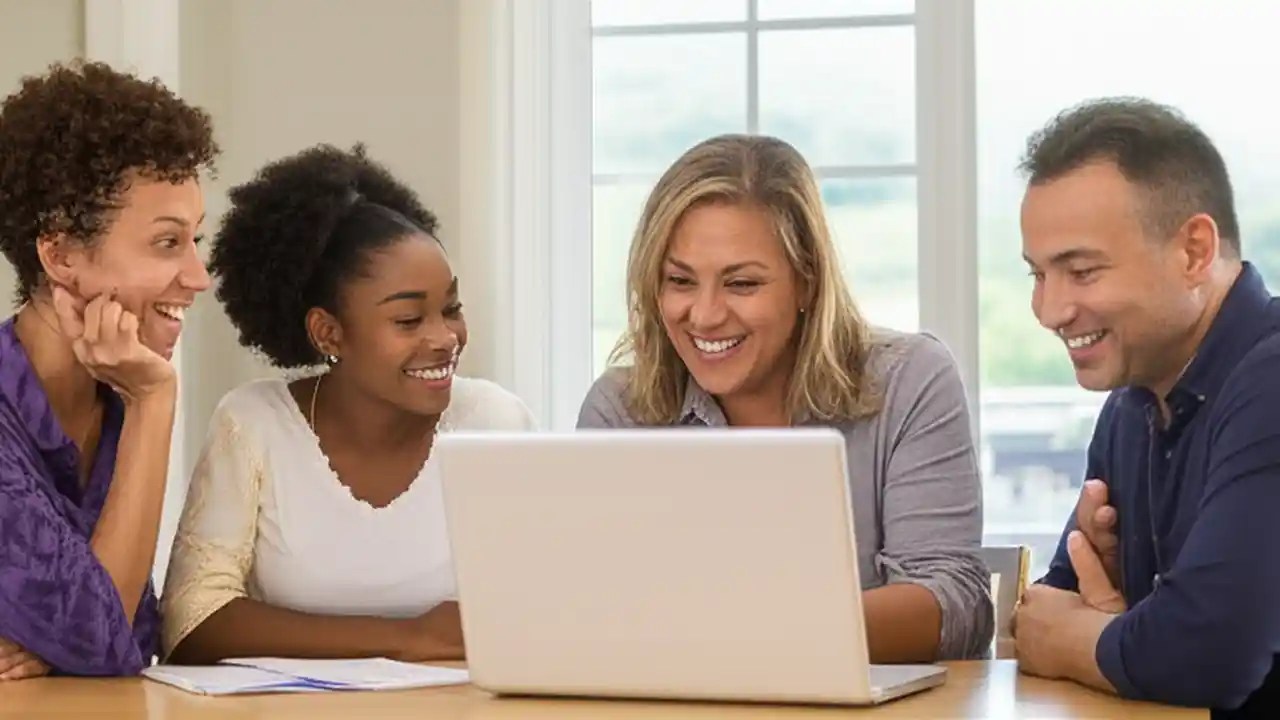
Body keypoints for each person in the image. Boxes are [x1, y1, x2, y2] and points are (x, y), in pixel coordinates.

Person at [578, 134, 992, 662]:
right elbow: (594, 612)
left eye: (742, 284)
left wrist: (742, 631)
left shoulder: (910, 382)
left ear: (807, 284)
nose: (704, 316)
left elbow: (955, 608)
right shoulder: (620, 410)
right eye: (680, 281)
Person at [160, 144, 535, 664]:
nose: (444, 337)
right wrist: (407, 638)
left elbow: (542, 609)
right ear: (329, 332)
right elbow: (191, 618)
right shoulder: (253, 424)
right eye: (408, 321)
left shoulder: (494, 422)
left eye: (451, 309)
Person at [1012, 97, 1280, 717]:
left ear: (1193, 252)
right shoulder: (1131, 402)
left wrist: (1089, 639)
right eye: (1038, 275)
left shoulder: (1269, 382)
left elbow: (1208, 652)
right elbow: (1048, 611)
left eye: (1081, 272)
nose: (1050, 312)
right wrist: (1114, 629)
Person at [0, 61, 217, 679]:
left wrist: (57, 645)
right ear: (62, 254)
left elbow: (134, 629)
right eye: (168, 243)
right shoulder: (134, 393)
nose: (199, 277)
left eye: (196, 239)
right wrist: (156, 401)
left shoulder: (112, 390)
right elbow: (103, 638)